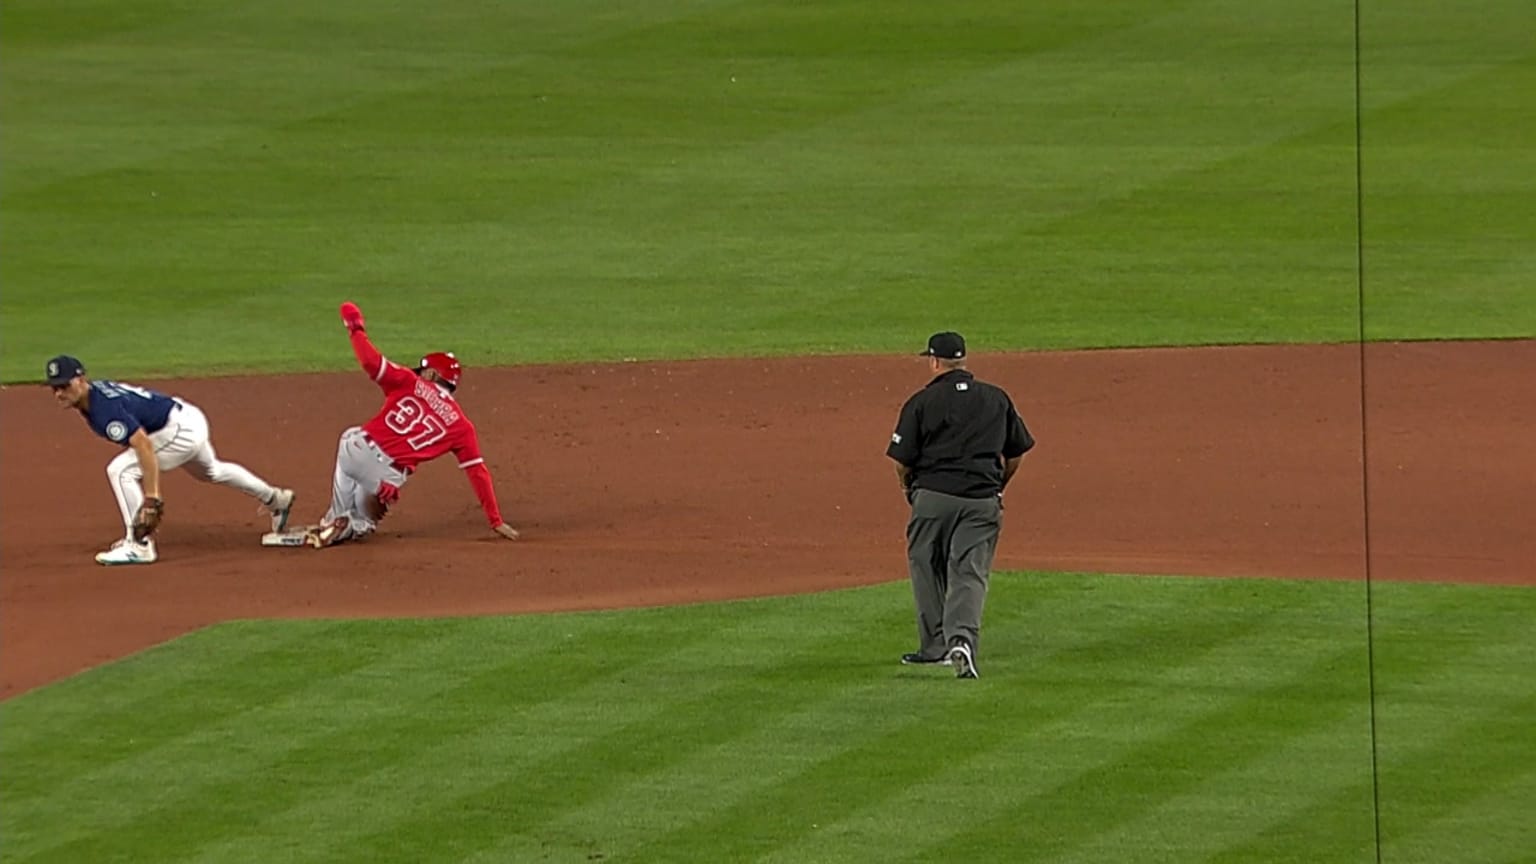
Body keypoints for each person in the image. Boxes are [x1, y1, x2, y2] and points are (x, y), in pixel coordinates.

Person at [302, 301, 520, 548]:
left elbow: (371, 363)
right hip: (392, 477)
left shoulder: (409, 381)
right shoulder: (462, 426)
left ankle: (335, 518)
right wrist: (495, 520)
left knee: (349, 438)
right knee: (365, 523)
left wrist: (356, 329)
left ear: (431, 374)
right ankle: (348, 523)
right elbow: (478, 473)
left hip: (358, 454)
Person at [46, 355, 296, 566]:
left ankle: (139, 545)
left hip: (178, 431)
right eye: (54, 388)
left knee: (120, 471)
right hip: (186, 418)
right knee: (212, 471)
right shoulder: (94, 395)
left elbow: (143, 445)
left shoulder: (104, 409)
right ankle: (275, 499)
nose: (59, 393)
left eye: (64, 386)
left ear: (81, 379)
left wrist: (152, 497)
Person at [885, 331, 1035, 679]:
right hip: (981, 499)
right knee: (969, 572)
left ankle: (934, 648)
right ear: (963, 360)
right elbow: (1016, 452)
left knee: (926, 566)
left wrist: (909, 490)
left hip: (932, 498)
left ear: (934, 361)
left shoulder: (922, 402)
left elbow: (901, 460)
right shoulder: (996, 398)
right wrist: (997, 486)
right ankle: (962, 641)